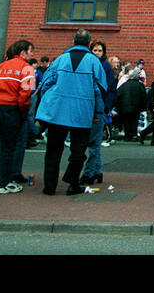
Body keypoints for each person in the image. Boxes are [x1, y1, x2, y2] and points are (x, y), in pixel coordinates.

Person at [36, 29, 108, 196]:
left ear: (74, 41)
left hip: (57, 112)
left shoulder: (61, 59)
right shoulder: (93, 62)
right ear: (89, 43)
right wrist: (98, 113)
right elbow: (100, 89)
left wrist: (47, 104)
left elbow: (46, 83)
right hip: (82, 113)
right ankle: (72, 183)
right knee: (78, 151)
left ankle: (49, 186)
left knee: (53, 150)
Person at [0, 38, 36, 194]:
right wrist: (22, 111)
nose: (32, 54)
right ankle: (4, 183)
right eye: (30, 51)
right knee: (8, 147)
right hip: (11, 109)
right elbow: (25, 94)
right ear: (23, 52)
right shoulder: (26, 69)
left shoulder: (0, 67)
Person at [81, 41, 118, 185]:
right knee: (94, 142)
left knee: (93, 143)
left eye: (99, 50)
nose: (96, 53)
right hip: (95, 107)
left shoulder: (104, 66)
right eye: (94, 50)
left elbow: (109, 89)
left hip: (99, 108)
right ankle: (97, 171)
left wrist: (106, 108)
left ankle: (89, 173)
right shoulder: (96, 65)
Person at [116, 64, 148, 142]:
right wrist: (144, 107)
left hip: (125, 106)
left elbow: (118, 94)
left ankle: (127, 136)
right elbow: (144, 97)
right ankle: (134, 135)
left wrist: (118, 106)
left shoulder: (124, 85)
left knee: (126, 121)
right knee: (134, 121)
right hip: (136, 107)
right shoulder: (140, 86)